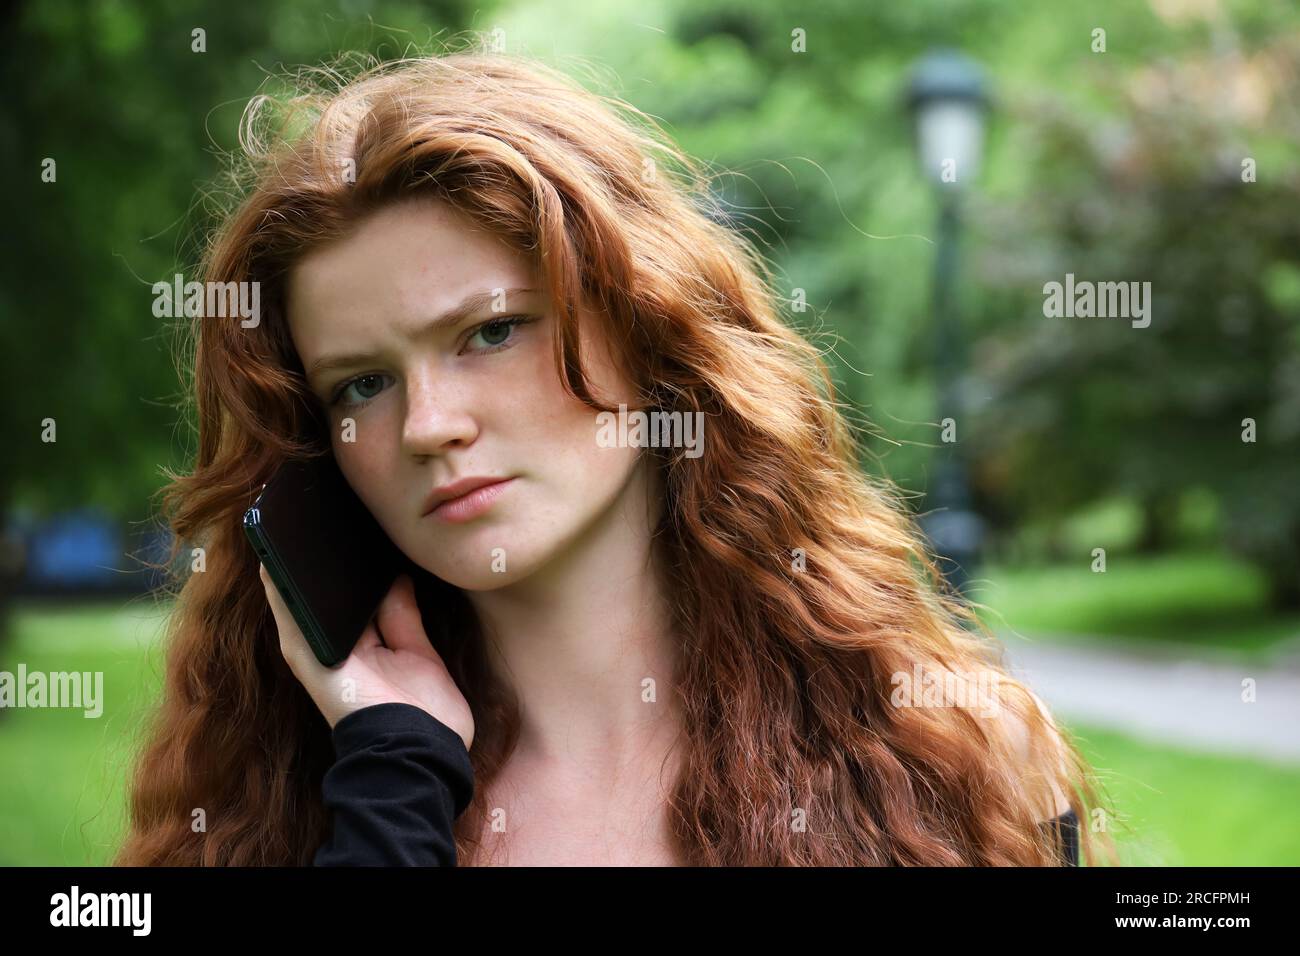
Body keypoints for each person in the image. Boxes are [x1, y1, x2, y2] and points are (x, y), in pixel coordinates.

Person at [116, 44, 1113, 867]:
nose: (427, 423)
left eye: (490, 332)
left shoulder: (946, 753)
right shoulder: (282, 810)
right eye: (360, 384)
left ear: (646, 327)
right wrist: (393, 783)